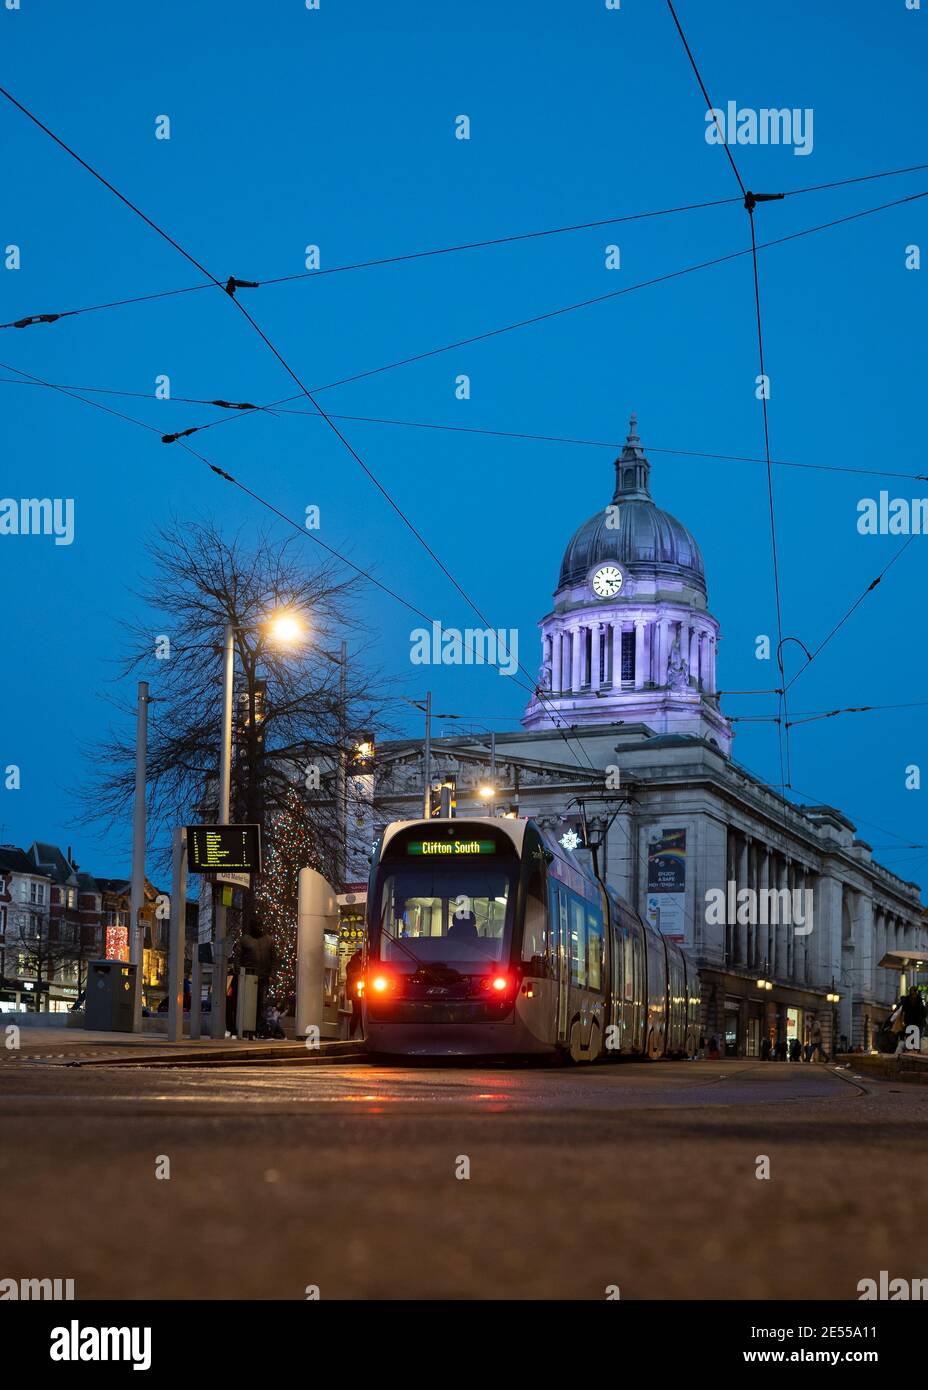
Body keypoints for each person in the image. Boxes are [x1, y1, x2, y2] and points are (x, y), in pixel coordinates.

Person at [236, 917, 276, 1038]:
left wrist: (272, 975)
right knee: (250, 1004)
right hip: (249, 977)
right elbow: (239, 957)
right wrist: (239, 972)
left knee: (261, 1004)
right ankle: (249, 1029)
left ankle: (258, 1029)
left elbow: (274, 959)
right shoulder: (246, 940)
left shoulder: (268, 940)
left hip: (262, 976)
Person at [896, 986, 927, 1055]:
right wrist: (902, 1021)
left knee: (917, 1036)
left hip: (918, 1022)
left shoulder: (919, 1000)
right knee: (909, 1035)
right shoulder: (907, 1000)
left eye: (914, 992)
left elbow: (922, 1012)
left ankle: (916, 1050)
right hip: (909, 1021)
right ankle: (909, 1049)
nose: (913, 995)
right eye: (912, 992)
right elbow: (903, 1011)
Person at [345, 948, 364, 1039]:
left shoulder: (352, 963)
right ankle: (357, 1035)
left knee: (357, 1013)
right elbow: (353, 976)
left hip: (355, 992)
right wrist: (364, 974)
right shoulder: (356, 964)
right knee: (359, 1013)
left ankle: (353, 1035)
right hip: (357, 992)